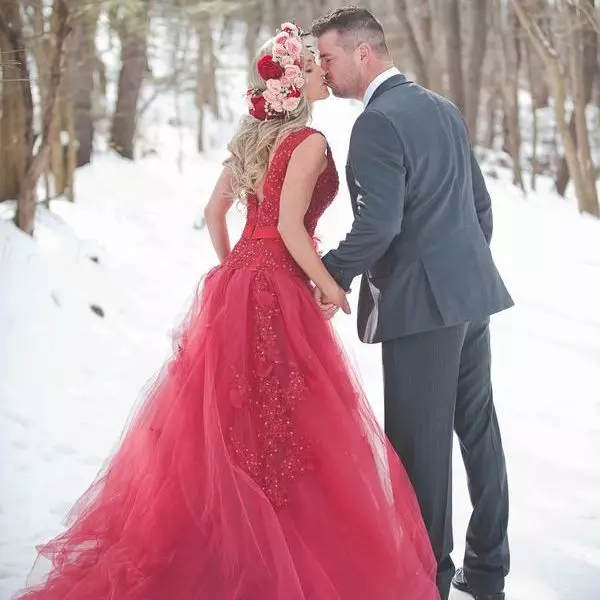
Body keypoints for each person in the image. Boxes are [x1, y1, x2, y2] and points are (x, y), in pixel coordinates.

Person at [14, 23, 439, 600]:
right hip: (280, 288)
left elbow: (216, 215)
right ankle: (278, 545)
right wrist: (330, 286)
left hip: (237, 284)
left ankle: (231, 540)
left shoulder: (250, 140)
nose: (322, 72)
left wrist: (237, 267)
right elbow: (291, 227)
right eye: (312, 68)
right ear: (296, 85)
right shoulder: (308, 143)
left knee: (233, 423)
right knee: (289, 421)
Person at [311, 7, 513, 600]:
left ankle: (427, 583)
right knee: (478, 432)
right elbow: (480, 208)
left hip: (423, 311)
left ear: (363, 54)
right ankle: (489, 572)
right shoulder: (441, 107)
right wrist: (461, 274)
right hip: (469, 298)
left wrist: (327, 278)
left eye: (328, 58)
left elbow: (379, 227)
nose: (323, 70)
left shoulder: (377, 123)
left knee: (419, 451)